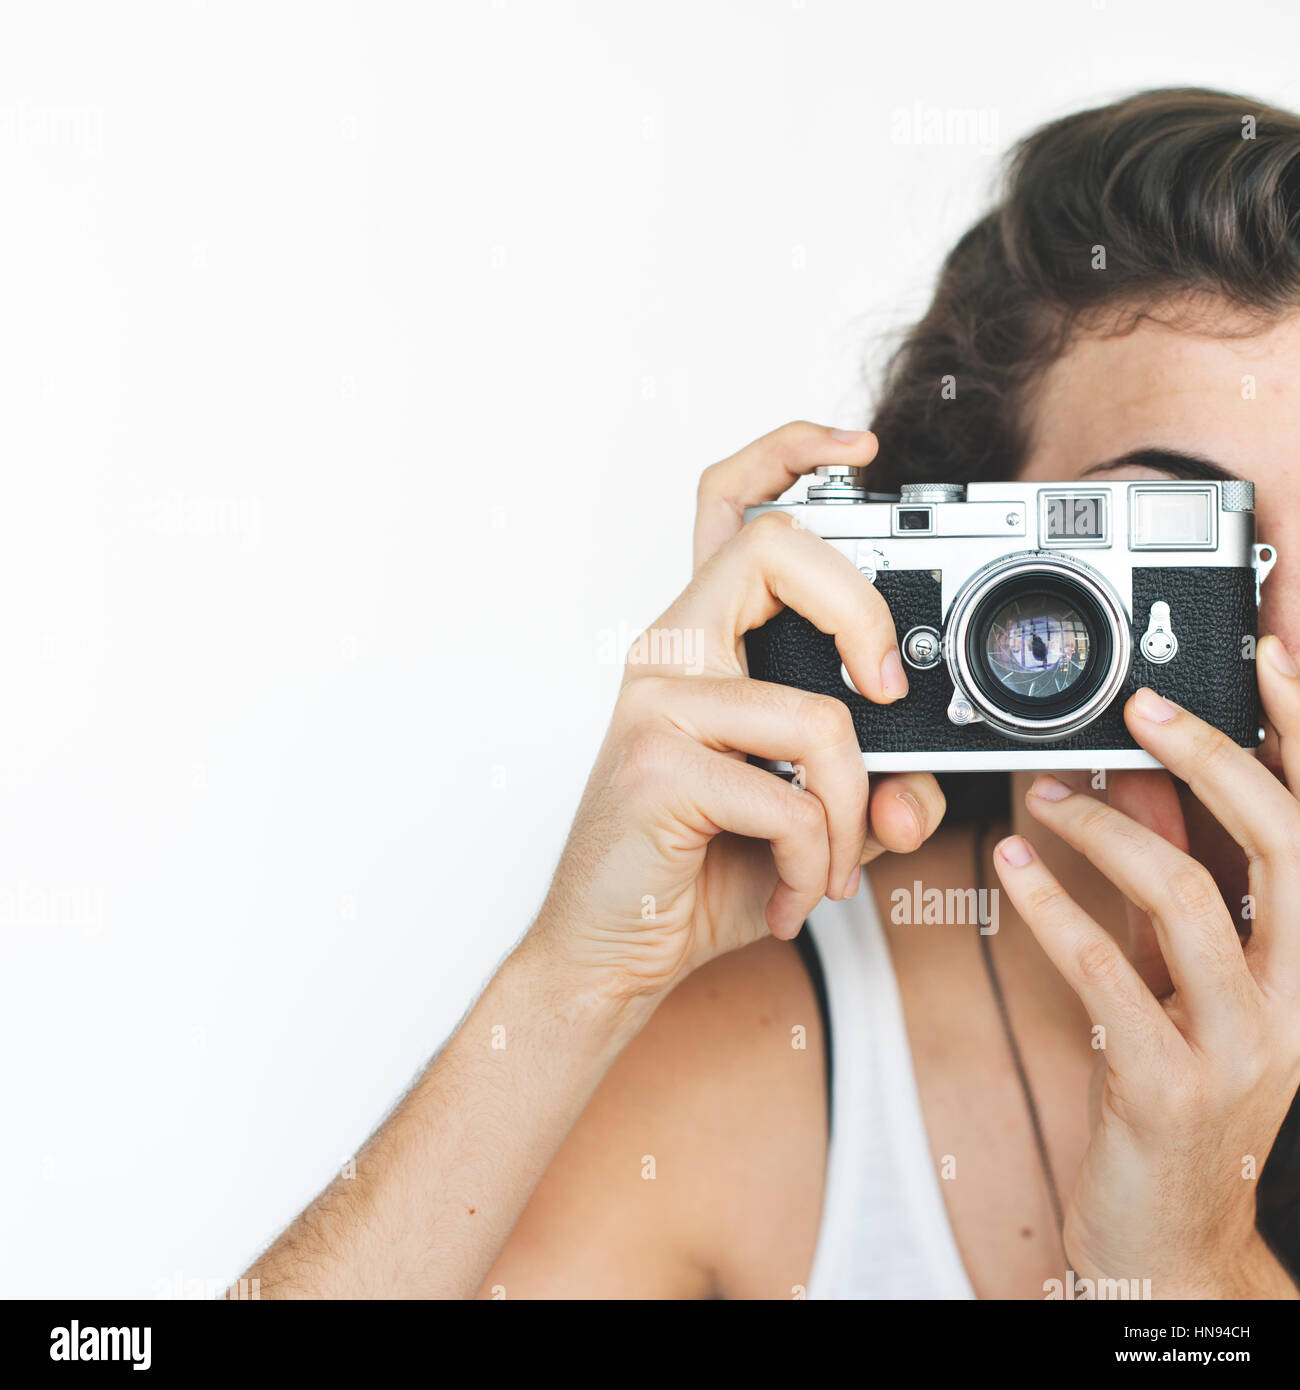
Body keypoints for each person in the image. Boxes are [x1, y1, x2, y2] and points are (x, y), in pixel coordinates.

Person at [242, 88, 1300, 1300]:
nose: (1278, 636)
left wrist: (1190, 1267)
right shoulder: (746, 1079)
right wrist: (576, 982)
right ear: (952, 574)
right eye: (1187, 542)